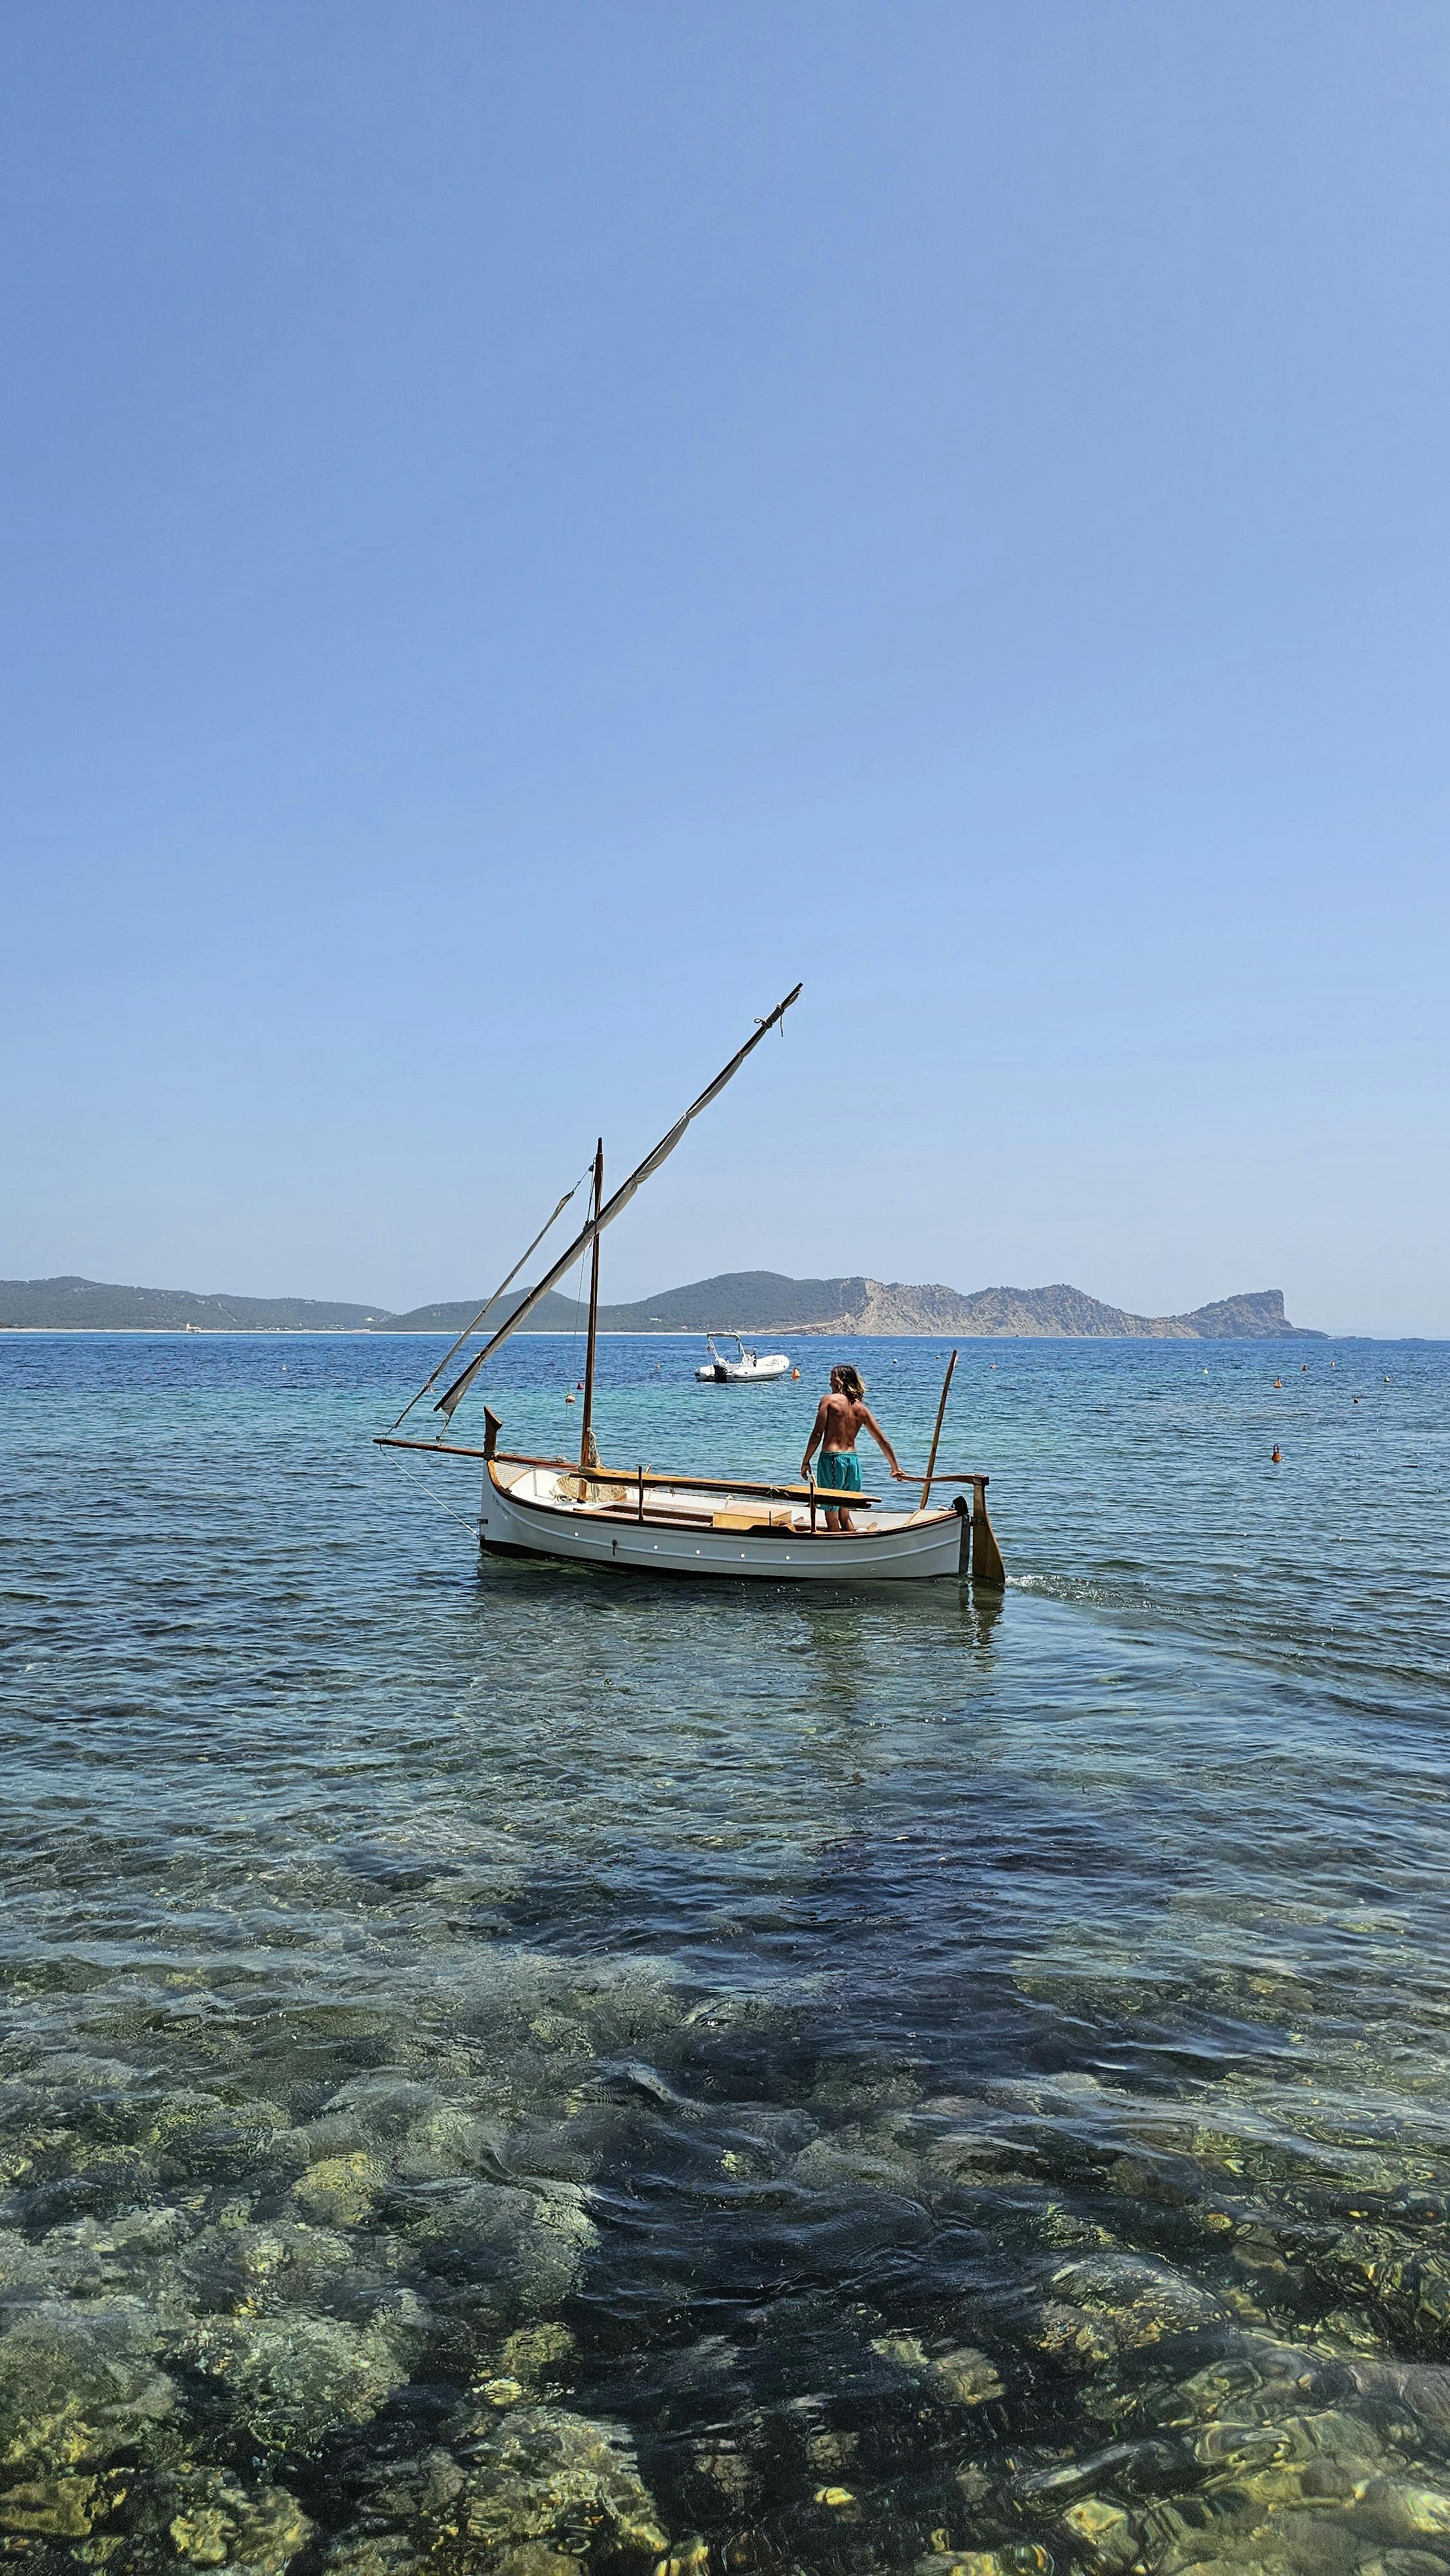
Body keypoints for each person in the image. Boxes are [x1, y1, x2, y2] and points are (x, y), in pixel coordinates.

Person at [801, 1363, 909, 1531]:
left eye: (831, 1380)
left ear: (838, 1381)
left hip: (832, 1461)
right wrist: (895, 1467)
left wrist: (806, 1461)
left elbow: (817, 1435)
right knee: (845, 1516)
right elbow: (882, 1441)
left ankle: (836, 1554)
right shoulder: (861, 1409)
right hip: (853, 1463)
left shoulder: (829, 1401)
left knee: (831, 1516)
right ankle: (851, 1550)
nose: (830, 1384)